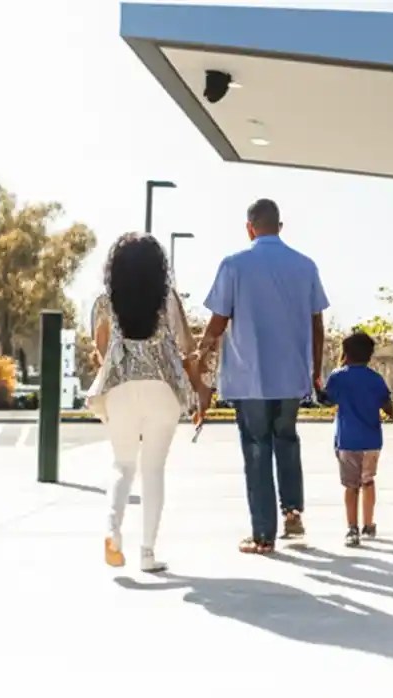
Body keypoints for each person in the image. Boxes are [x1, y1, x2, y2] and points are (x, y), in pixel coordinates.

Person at [198, 199, 329, 554]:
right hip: (291, 378)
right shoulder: (305, 266)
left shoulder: (234, 265)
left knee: (257, 448)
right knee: (286, 439)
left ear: (249, 227)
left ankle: (262, 535)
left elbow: (218, 321)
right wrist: (316, 372)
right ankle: (292, 513)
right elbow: (318, 325)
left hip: (249, 377)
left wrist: (201, 357)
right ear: (280, 227)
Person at [86, 232, 209, 572]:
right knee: (153, 469)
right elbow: (186, 347)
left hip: (120, 389)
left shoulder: (105, 302)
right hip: (163, 390)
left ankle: (112, 531)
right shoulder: (167, 299)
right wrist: (200, 386)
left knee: (122, 466)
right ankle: (147, 553)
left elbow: (101, 350)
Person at [323, 332, 393, 547]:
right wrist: (392, 414)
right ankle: (369, 524)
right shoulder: (375, 378)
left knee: (351, 486)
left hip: (348, 440)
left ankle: (352, 528)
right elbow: (386, 402)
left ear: (345, 353)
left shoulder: (338, 377)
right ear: (370, 355)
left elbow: (328, 400)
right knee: (368, 481)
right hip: (372, 440)